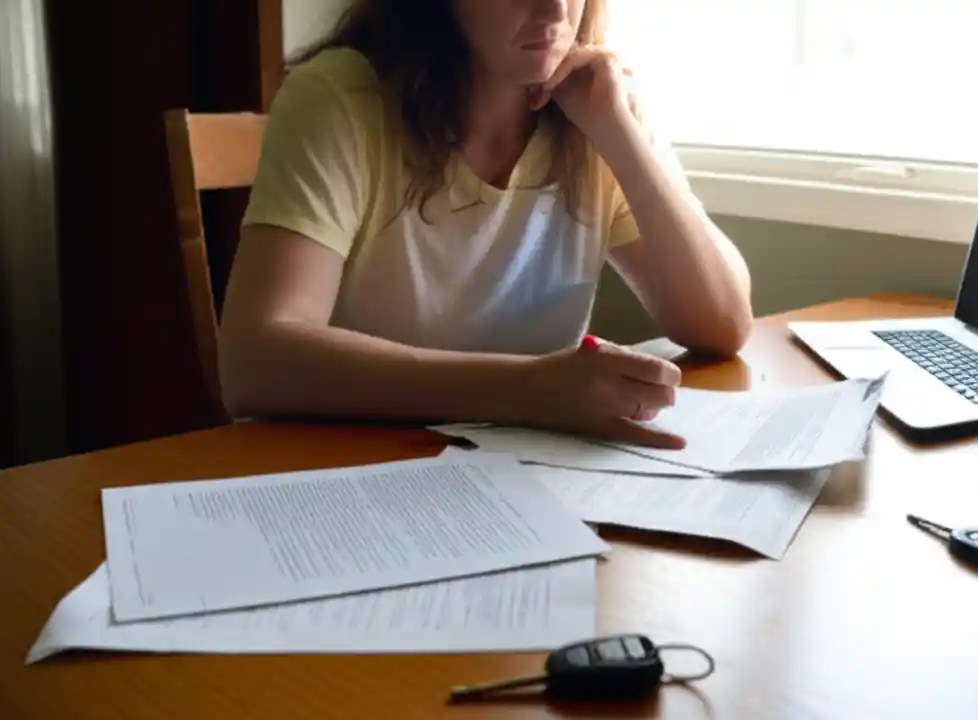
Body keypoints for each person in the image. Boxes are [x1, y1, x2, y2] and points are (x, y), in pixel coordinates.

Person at [219, 0, 752, 449]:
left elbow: (723, 324)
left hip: (522, 482)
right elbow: (255, 360)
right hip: (350, 471)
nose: (555, 11)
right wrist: (529, 389)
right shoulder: (339, 100)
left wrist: (618, 132)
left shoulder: (600, 105)